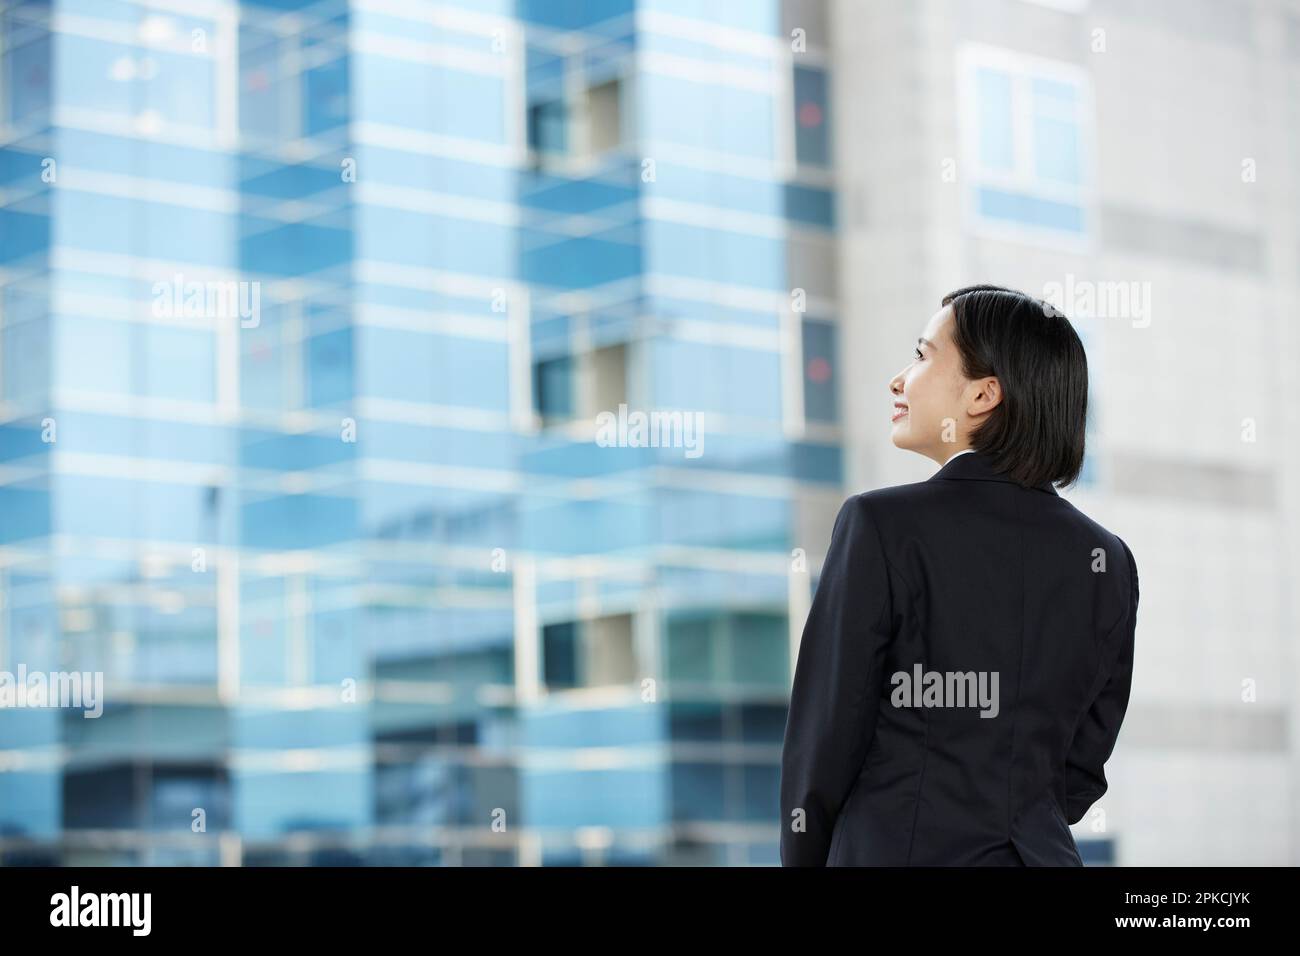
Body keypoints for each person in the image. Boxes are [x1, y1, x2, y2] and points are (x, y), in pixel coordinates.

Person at [779, 284, 1138, 866]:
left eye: (922, 356)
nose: (899, 380)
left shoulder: (880, 525)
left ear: (983, 394)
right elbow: (1079, 770)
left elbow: (823, 747)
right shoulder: (1108, 560)